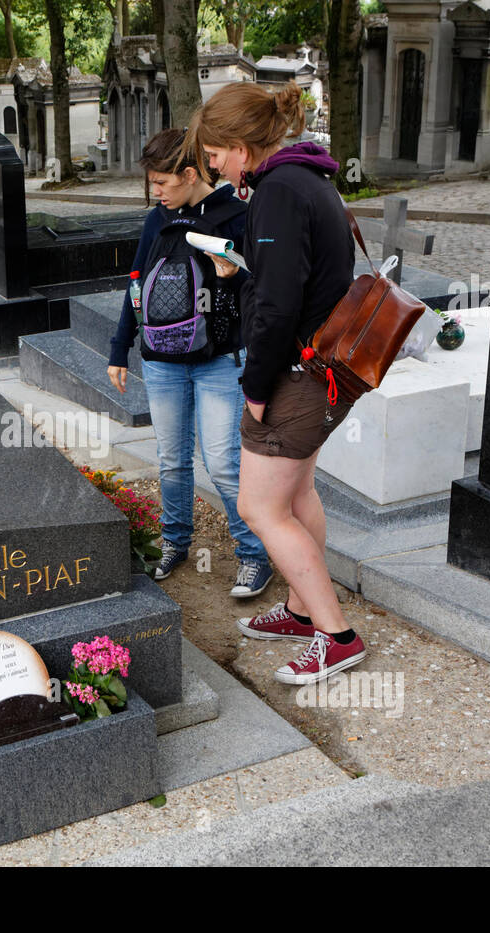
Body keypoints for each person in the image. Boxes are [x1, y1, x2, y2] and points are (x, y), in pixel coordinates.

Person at [186, 84, 365, 686]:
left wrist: (257, 386)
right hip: (324, 368)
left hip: (295, 373)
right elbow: (296, 279)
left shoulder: (279, 192)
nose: (211, 164)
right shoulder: (306, 178)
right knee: (294, 498)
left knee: (258, 506)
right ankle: (299, 608)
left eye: (214, 153)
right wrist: (243, 270)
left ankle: (335, 636)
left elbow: (280, 306)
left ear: (240, 147)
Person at [107, 128, 273, 599]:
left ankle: (253, 555)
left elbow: (260, 294)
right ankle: (175, 543)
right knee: (172, 461)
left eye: (163, 182)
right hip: (161, 360)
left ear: (190, 173)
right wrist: (120, 346)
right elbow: (136, 282)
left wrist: (233, 276)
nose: (155, 192)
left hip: (219, 360)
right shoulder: (155, 220)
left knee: (222, 464)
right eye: (151, 184)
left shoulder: (237, 217)